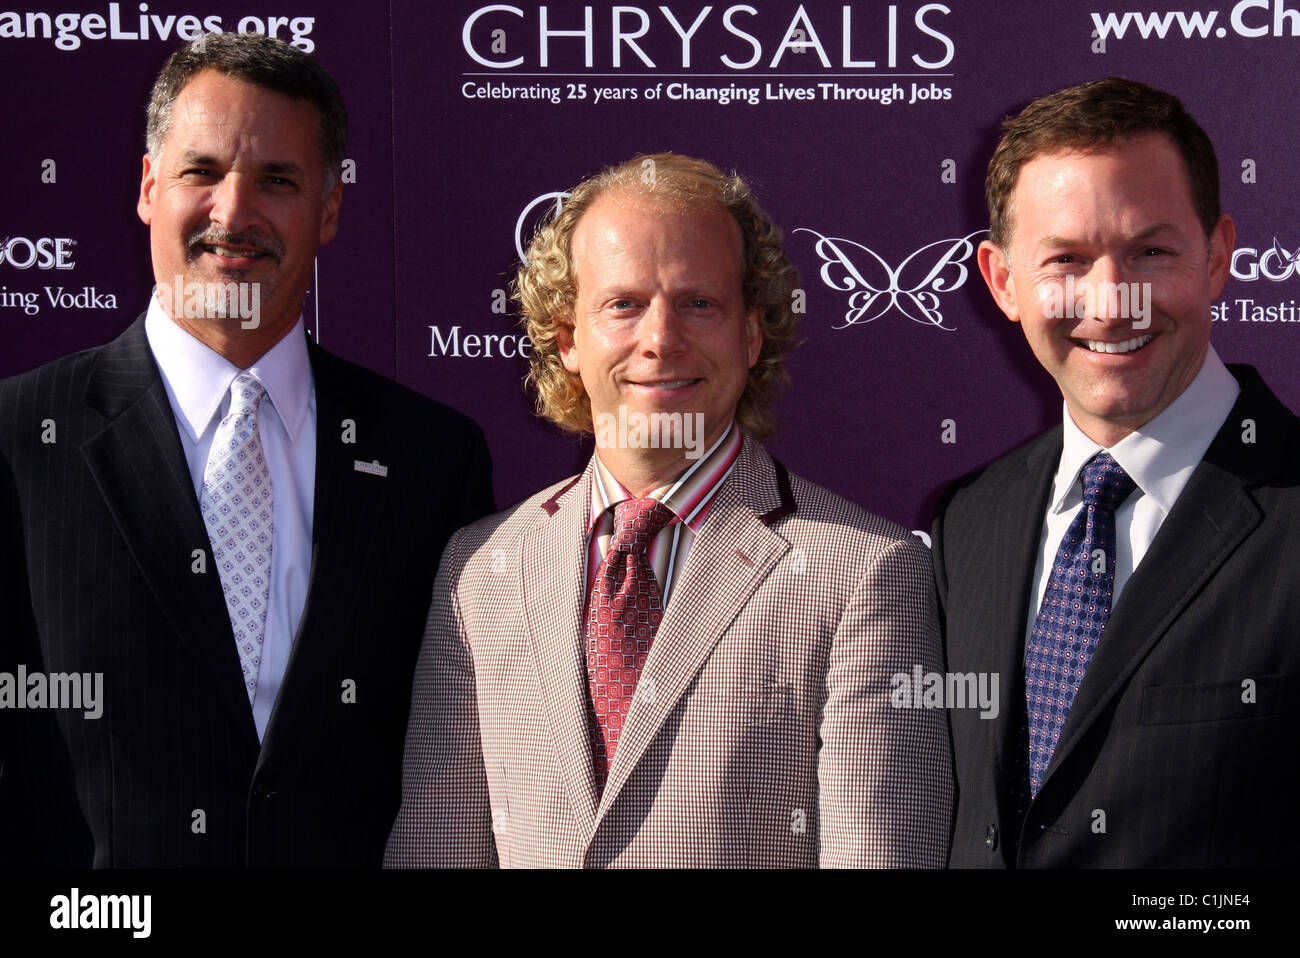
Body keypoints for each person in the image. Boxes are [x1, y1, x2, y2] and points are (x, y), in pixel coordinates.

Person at [0, 32, 493, 867]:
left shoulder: (432, 459)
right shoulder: (16, 441)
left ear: (330, 209)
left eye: (277, 180)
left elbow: (459, 761)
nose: (234, 212)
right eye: (203, 172)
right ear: (149, 187)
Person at [384, 153, 952, 868]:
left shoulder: (864, 574)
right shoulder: (481, 569)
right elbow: (440, 850)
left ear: (751, 334)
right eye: (623, 304)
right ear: (567, 341)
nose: (660, 339)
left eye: (699, 303)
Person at [933, 76, 1299, 867]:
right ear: (1003, 282)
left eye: (1150, 252)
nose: (1110, 302)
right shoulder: (969, 523)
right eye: (1066, 259)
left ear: (1218, 257)